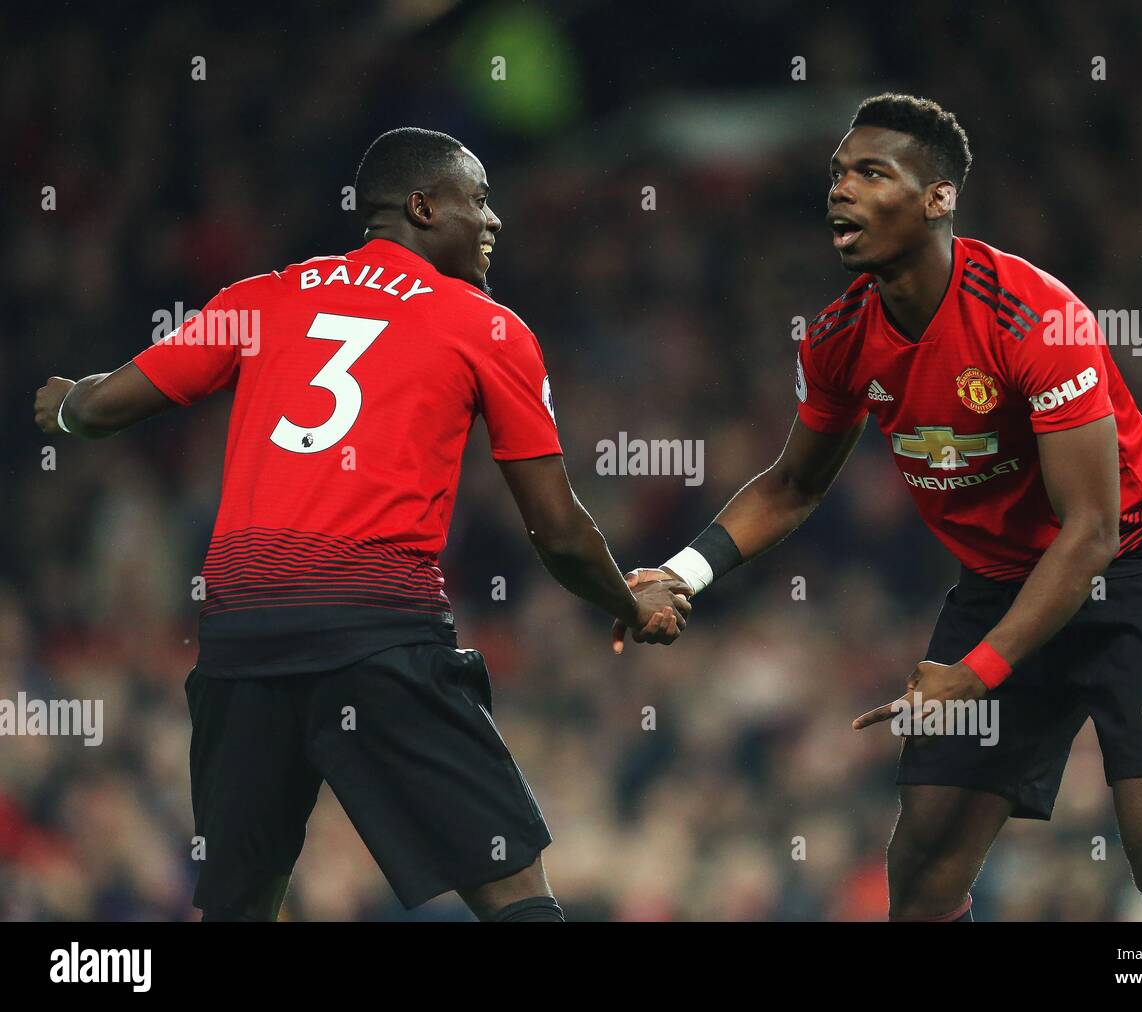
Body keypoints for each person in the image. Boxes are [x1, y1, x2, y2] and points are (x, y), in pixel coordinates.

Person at [34, 127, 689, 922]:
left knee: (235, 906)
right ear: (421, 205)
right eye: (477, 200)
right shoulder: (487, 328)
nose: (494, 221)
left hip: (243, 641)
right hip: (378, 637)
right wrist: (628, 602)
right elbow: (554, 527)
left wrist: (66, 404)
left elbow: (107, 405)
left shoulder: (261, 297)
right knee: (514, 891)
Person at [616, 94, 1142, 922]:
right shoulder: (838, 338)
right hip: (999, 583)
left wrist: (975, 673)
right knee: (923, 868)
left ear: (937, 198)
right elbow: (793, 485)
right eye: (838, 174)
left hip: (1134, 573)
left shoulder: (1035, 318)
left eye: (872, 173)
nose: (842, 190)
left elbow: (1091, 530)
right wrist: (683, 573)